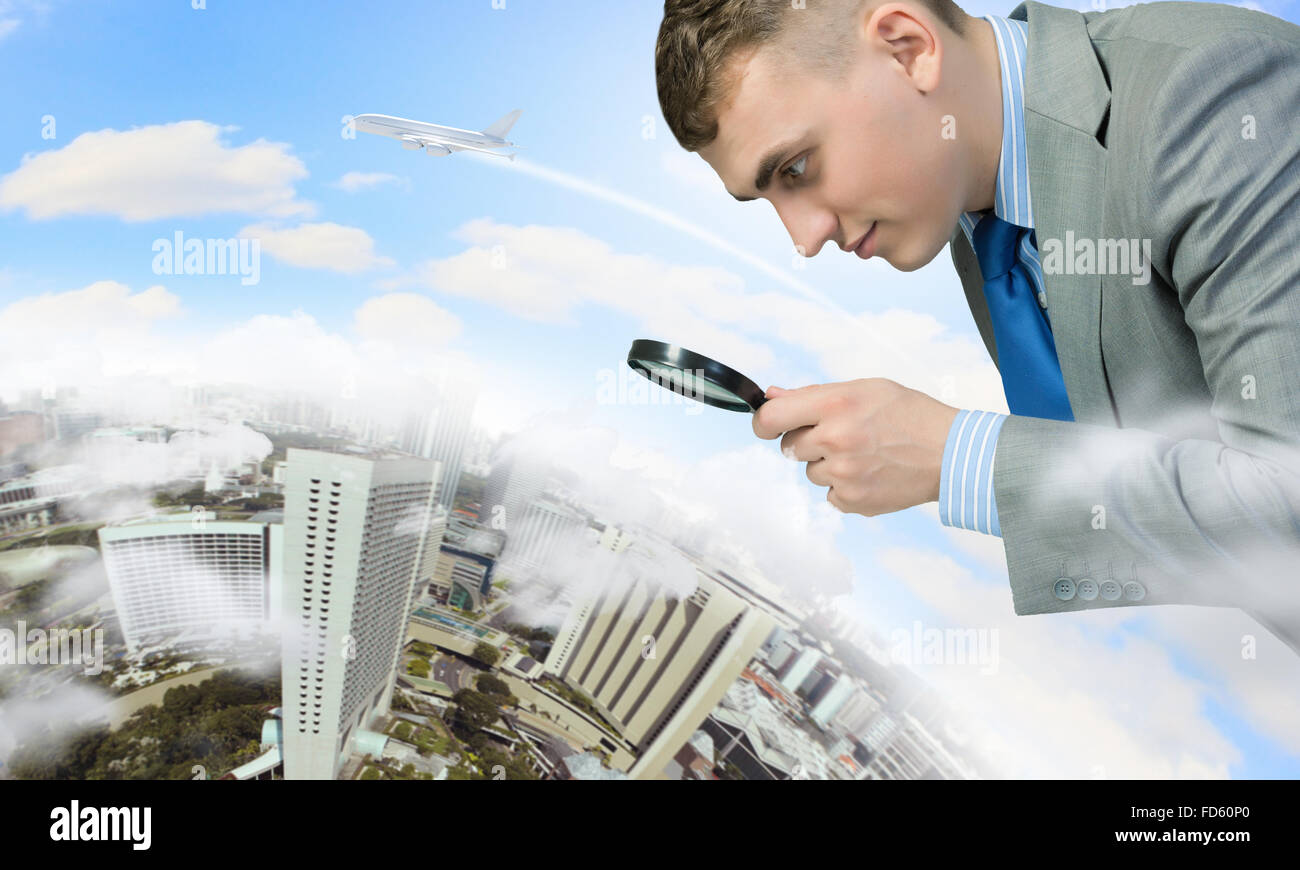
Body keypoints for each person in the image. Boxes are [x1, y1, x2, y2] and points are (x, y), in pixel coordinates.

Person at [654, 0, 1300, 653]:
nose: (803, 236)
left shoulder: (1214, 95)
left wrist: (958, 459)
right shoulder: (977, 222)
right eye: (766, 198)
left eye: (795, 169)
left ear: (908, 48)